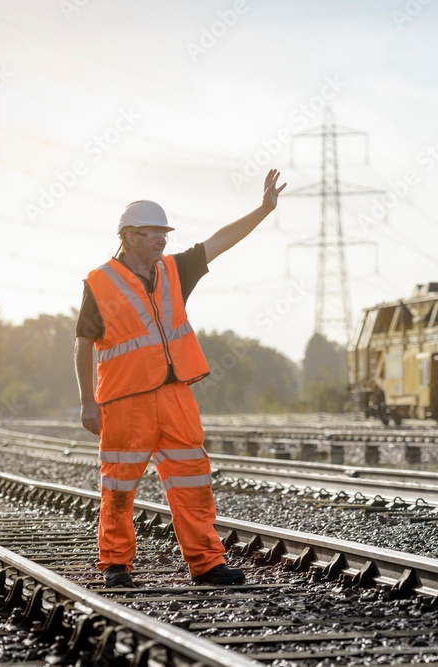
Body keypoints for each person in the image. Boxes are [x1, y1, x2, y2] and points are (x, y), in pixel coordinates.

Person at [74, 169, 286, 588]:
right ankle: (116, 563)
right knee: (118, 486)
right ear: (129, 235)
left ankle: (207, 563)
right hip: (124, 401)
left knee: (193, 481)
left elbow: (221, 241)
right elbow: (82, 344)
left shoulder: (174, 270)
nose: (162, 239)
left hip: (175, 397)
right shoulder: (100, 283)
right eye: (153, 233)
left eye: (165, 233)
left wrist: (263, 209)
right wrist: (86, 400)